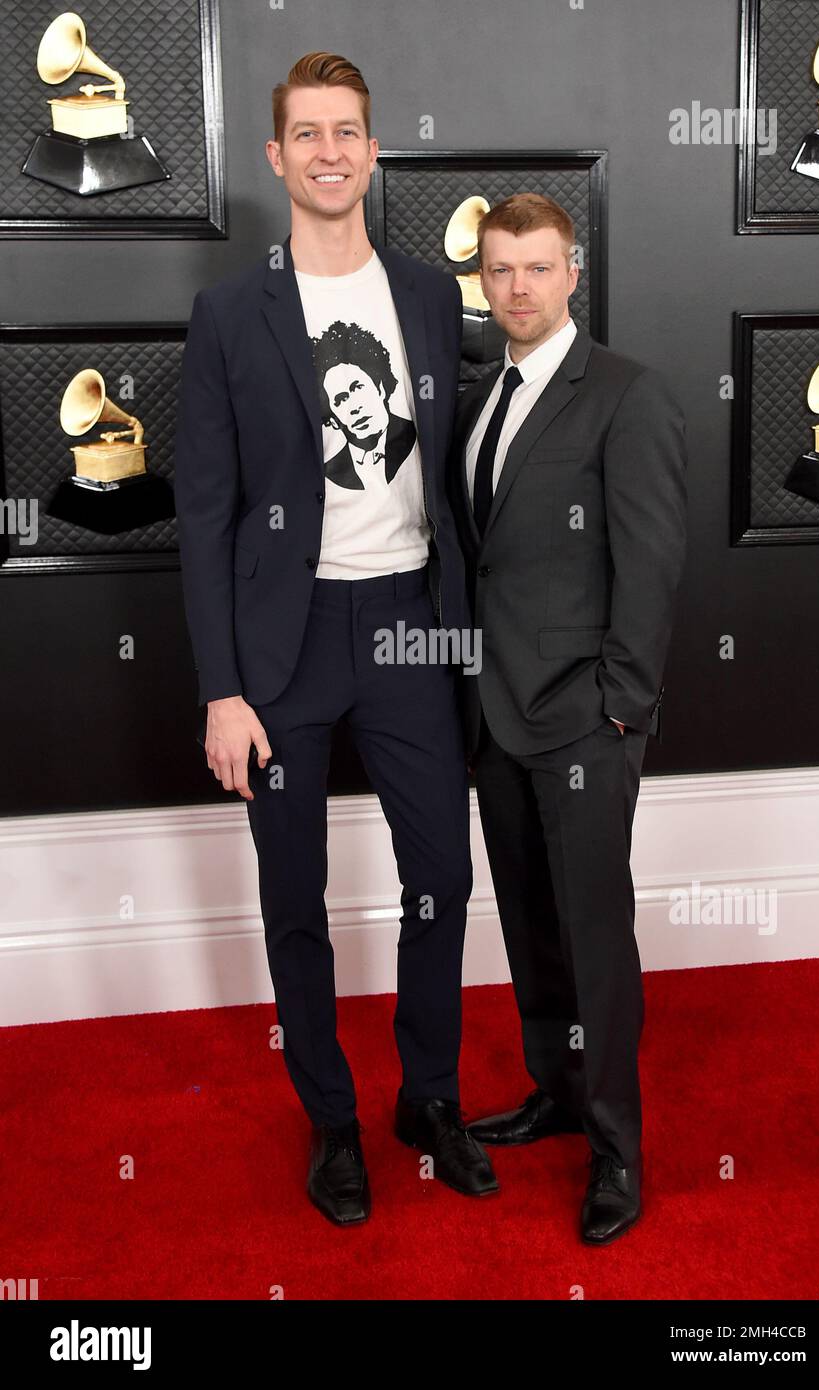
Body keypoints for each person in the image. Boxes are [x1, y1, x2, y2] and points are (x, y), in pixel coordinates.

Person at [174, 51, 497, 1226]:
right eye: (305, 133)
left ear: (371, 150)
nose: (327, 152)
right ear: (276, 157)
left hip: (410, 621)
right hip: (283, 646)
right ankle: (333, 1124)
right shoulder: (227, 314)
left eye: (346, 132)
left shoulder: (423, 293)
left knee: (442, 879)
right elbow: (202, 514)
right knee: (294, 898)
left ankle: (429, 1099)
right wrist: (222, 688)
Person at [449, 193, 688, 1244]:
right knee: (531, 929)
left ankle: (616, 1150)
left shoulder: (626, 397)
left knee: (595, 941)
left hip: (586, 724)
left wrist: (620, 713)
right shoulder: (474, 399)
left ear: (572, 272)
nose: (516, 289)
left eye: (536, 269)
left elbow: (651, 567)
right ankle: (554, 1088)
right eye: (499, 270)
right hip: (492, 719)